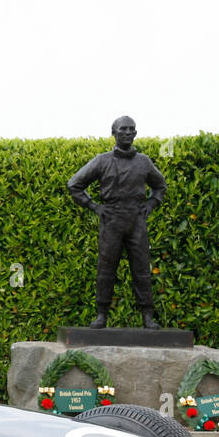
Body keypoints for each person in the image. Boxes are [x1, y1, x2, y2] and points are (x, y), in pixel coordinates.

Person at [67, 116, 166, 329]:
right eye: (123, 129)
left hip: (136, 220)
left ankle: (147, 315)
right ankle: (101, 314)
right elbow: (74, 184)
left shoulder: (144, 161)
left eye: (132, 129)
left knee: (141, 268)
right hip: (111, 219)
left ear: (136, 133)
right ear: (114, 133)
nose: (128, 133)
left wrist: (151, 204)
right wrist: (94, 206)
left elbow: (160, 185)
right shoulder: (102, 160)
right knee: (106, 268)